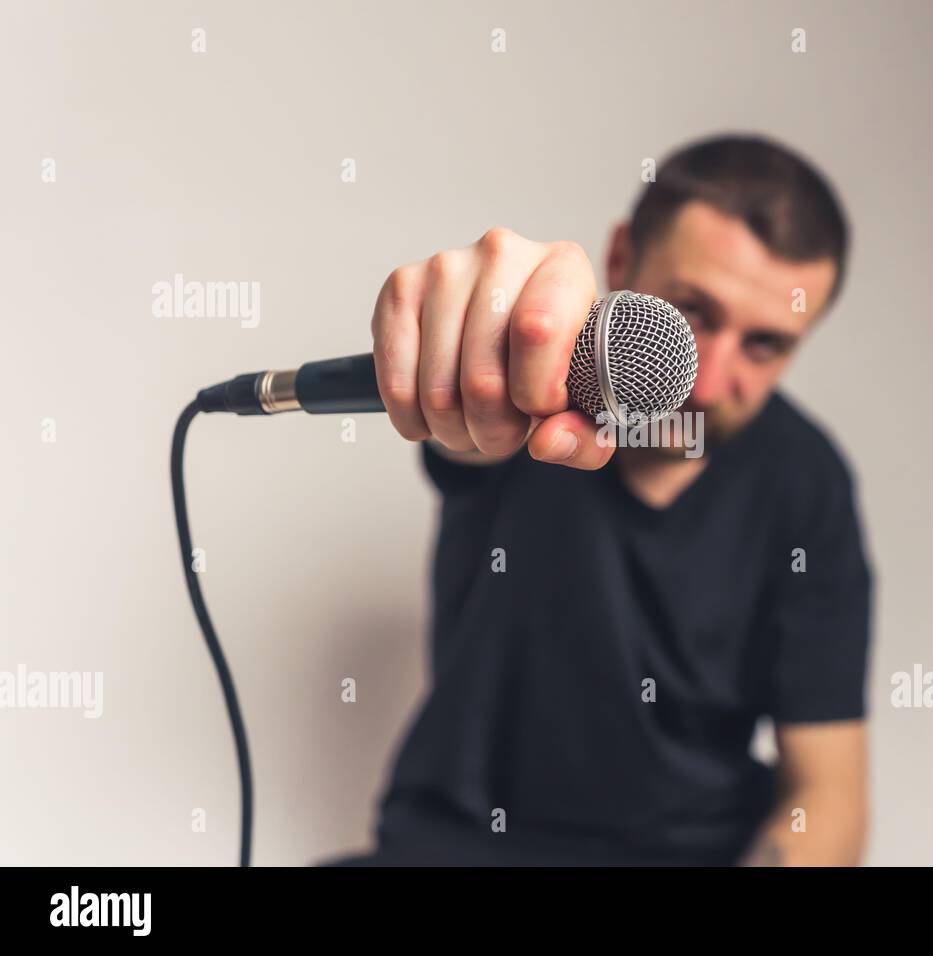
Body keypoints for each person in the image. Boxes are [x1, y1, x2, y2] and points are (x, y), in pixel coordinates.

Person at [330, 134, 875, 866]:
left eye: (765, 345)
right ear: (621, 259)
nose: (707, 384)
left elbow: (830, 795)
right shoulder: (527, 391)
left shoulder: (808, 483)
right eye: (692, 315)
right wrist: (468, 338)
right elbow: (464, 423)